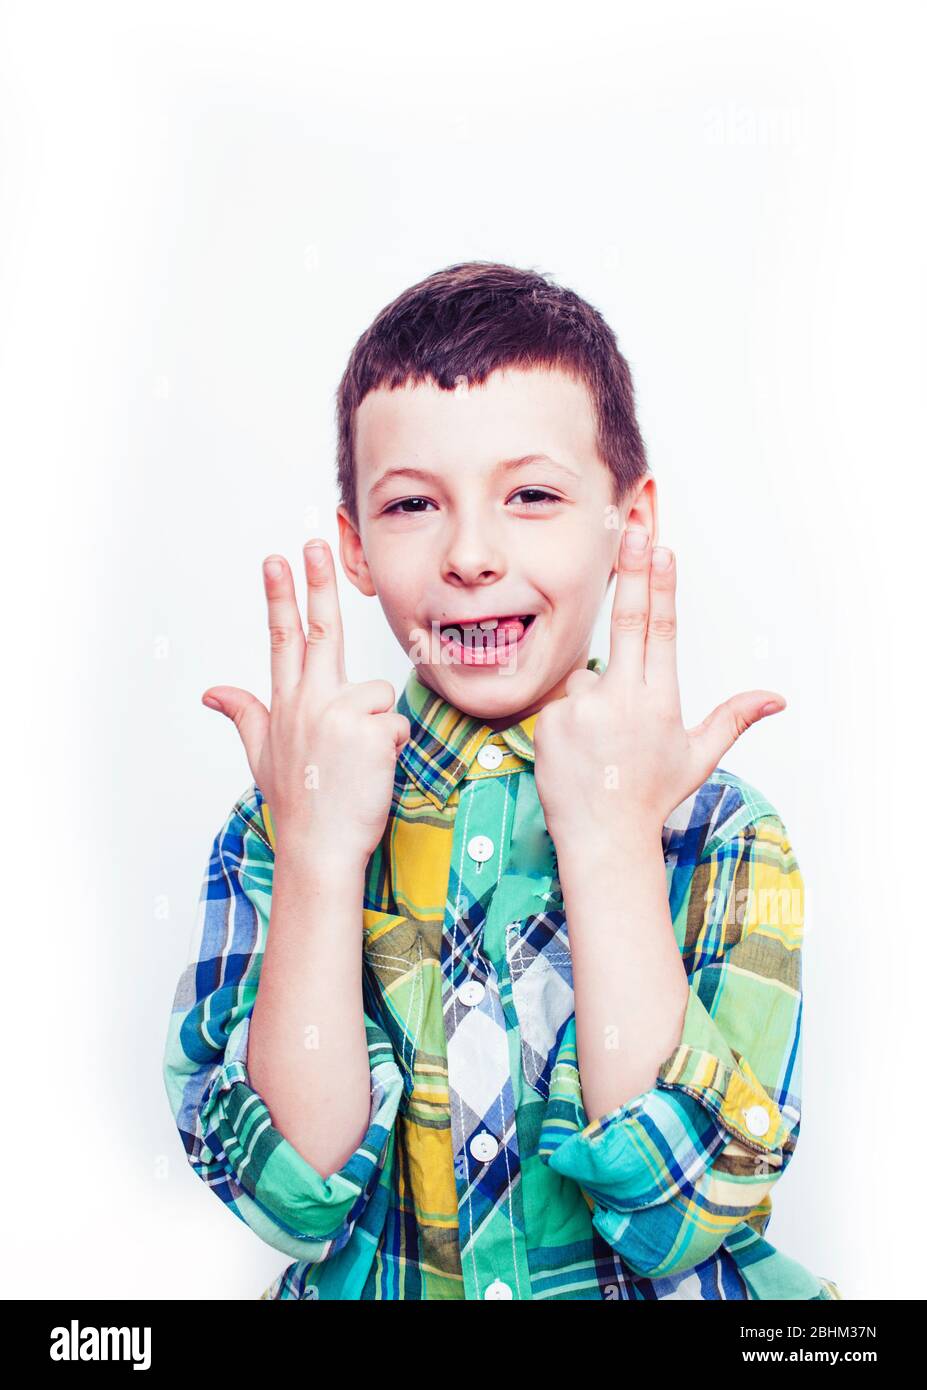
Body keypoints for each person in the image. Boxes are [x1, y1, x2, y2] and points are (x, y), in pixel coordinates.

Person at [162, 261, 842, 1301]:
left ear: (629, 518)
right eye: (411, 505)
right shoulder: (286, 824)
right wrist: (316, 857)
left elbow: (679, 1218)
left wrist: (612, 846)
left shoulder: (723, 833)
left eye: (531, 494)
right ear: (354, 546)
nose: (471, 553)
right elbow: (288, 1197)